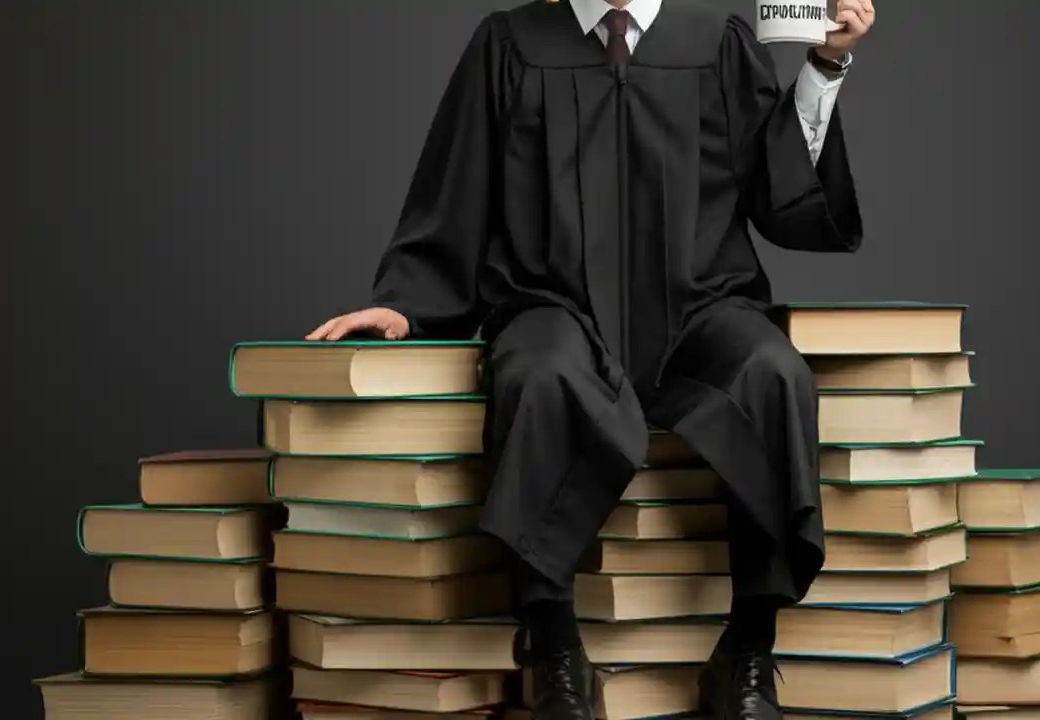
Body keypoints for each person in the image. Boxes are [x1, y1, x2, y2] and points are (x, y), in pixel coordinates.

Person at [307, 1, 873, 718]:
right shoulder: (511, 42)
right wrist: (408, 304)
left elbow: (780, 197)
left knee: (773, 373)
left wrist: (823, 67)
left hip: (699, 310)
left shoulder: (717, 40)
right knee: (536, 373)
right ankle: (554, 649)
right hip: (556, 307)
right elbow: (457, 182)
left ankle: (748, 651)